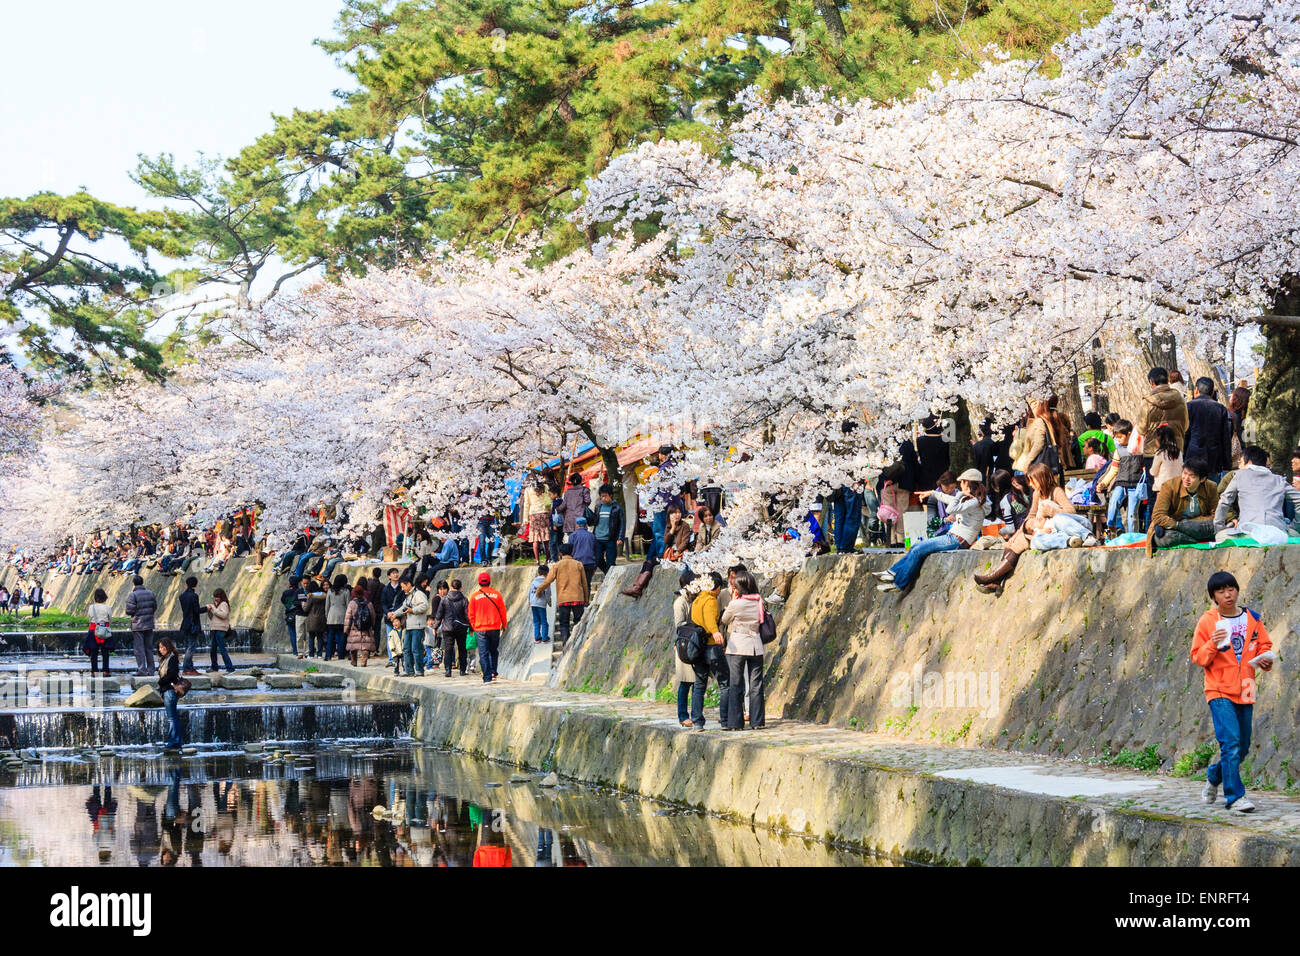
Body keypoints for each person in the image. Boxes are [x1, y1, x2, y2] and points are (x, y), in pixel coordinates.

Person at [1191, 571, 1274, 813]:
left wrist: (1265, 660)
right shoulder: (1208, 622)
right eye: (1221, 591)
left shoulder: (1253, 619)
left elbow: (1264, 646)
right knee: (1231, 742)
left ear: (1237, 590)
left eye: (1231, 589)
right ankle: (1235, 797)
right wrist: (1212, 644)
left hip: (1246, 688)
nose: (1227, 594)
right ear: (1214, 596)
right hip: (1218, 689)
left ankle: (1214, 775)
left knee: (1243, 746)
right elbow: (1198, 657)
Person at [876, 469, 990, 592]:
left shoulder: (974, 502)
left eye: (961, 482)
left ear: (966, 483)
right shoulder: (973, 500)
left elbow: (950, 509)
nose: (960, 485)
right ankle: (892, 573)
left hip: (957, 540)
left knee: (918, 550)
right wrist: (932, 493)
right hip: (954, 538)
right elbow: (949, 499)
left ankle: (899, 583)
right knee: (916, 547)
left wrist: (960, 494)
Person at [974, 463, 1076, 591]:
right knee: (1010, 543)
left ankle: (993, 577)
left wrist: (1051, 511)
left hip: (1052, 530)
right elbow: (1030, 515)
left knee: (1021, 541)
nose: (1030, 485)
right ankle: (996, 580)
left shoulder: (1056, 491)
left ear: (1041, 478)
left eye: (1032, 481)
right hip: (1038, 529)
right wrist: (1015, 535)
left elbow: (1071, 511)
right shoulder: (1037, 493)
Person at [1213, 444, 1300, 538]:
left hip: (1248, 532)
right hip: (1278, 532)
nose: (1239, 465)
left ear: (1249, 461)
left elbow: (1224, 502)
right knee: (1294, 534)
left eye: (1241, 462)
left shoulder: (1239, 475)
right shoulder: (1279, 479)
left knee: (1220, 536)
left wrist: (1219, 528)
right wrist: (1295, 526)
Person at [720, 570, 767, 730]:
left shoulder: (735, 604)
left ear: (739, 587)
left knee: (736, 684)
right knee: (756, 685)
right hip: (755, 645)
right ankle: (757, 721)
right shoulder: (758, 602)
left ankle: (735, 723)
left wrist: (732, 601)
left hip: (738, 645)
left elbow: (724, 620)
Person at [1146, 457, 1219, 556]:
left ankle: (1194, 536)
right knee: (1166, 538)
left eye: (1192, 476)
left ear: (1202, 479)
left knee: (1215, 526)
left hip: (1198, 526)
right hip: (1173, 528)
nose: (1186, 479)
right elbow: (1157, 516)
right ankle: (1197, 539)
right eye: (1184, 473)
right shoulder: (1169, 486)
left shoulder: (1211, 487)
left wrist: (1189, 524)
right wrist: (1178, 525)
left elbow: (1216, 516)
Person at [688, 572, 729, 731]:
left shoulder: (697, 599)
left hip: (698, 647)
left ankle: (697, 721)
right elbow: (709, 618)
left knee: (699, 685)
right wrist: (715, 631)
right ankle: (725, 720)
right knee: (725, 683)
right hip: (711, 645)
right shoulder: (711, 600)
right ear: (717, 588)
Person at [535, 543, 589, 647]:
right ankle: (578, 644)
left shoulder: (557, 565)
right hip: (578, 599)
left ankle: (566, 645)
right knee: (578, 622)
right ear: (572, 552)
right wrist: (586, 599)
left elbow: (547, 581)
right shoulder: (578, 564)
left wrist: (539, 590)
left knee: (564, 624)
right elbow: (585, 584)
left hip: (563, 600)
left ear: (560, 553)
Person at [1185, 377, 1232, 480]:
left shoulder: (1189, 407)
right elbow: (1225, 438)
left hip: (1192, 455)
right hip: (1214, 458)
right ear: (1211, 392)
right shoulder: (1221, 409)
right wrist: (1227, 464)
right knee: (1211, 491)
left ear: (1196, 390)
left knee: (1192, 489)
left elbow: (1185, 435)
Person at [1138, 366, 1189, 454]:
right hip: (1175, 450)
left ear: (1151, 382)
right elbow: (1185, 426)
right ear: (1167, 380)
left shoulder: (1147, 402)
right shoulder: (1180, 399)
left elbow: (1142, 429)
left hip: (1153, 451)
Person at [468, 571, 507, 683]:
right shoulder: (497, 594)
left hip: (480, 628)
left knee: (483, 653)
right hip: (494, 627)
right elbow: (502, 611)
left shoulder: (475, 596)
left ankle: (487, 677)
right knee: (493, 651)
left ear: (479, 582)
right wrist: (504, 625)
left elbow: (471, 614)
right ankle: (493, 672)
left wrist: (474, 626)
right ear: (489, 582)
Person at [670, 570, 698, 727]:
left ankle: (695, 713)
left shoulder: (695, 599)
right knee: (685, 682)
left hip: (696, 644)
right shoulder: (680, 602)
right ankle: (682, 715)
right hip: (685, 645)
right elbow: (679, 625)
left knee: (697, 682)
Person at [389, 578, 430, 677]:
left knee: (416, 649)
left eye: (403, 587)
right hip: (409, 626)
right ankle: (409, 670)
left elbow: (425, 606)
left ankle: (419, 670)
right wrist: (394, 614)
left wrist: (413, 610)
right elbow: (403, 608)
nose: (402, 589)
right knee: (406, 648)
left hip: (418, 626)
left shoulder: (419, 594)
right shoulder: (408, 596)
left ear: (408, 584)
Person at [433, 578, 470, 677]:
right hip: (461, 628)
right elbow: (467, 615)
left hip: (448, 628)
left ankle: (448, 670)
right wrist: (471, 627)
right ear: (461, 588)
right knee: (462, 649)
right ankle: (462, 670)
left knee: (448, 649)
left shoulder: (444, 599)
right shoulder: (464, 600)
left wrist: (435, 627)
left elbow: (439, 615)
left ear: (451, 587)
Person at [124, 575, 158, 676]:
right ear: (142, 582)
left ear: (134, 583)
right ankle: (151, 670)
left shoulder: (132, 595)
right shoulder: (151, 593)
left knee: (139, 648)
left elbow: (130, 610)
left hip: (138, 625)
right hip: (149, 623)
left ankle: (142, 670)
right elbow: (154, 607)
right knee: (149, 648)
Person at [157, 637, 184, 750]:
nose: (161, 649)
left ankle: (173, 742)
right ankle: (176, 742)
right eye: (159, 647)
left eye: (163, 647)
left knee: (172, 718)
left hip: (169, 691)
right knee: (173, 718)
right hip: (166, 691)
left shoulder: (172, 658)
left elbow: (172, 675)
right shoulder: (165, 658)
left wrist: (161, 681)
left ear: (168, 647)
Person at [591, 484, 624, 575]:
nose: (603, 498)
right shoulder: (598, 507)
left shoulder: (617, 508)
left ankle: (609, 576)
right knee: (597, 559)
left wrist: (620, 537)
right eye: (601, 496)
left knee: (611, 562)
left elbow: (622, 523)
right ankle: (608, 575)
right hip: (598, 538)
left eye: (605, 496)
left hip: (611, 538)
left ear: (610, 495)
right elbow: (595, 521)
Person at [521, 480, 554, 563]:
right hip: (544, 513)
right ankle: (548, 558)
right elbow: (548, 501)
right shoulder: (546, 487)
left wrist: (525, 518)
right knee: (546, 538)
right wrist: (549, 511)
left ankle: (537, 560)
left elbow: (526, 504)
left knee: (535, 539)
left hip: (533, 515)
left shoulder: (528, 489)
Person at [204, 588, 235, 673]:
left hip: (221, 629)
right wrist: (209, 611)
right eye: (215, 597)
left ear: (221, 596)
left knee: (222, 649)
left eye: (217, 597)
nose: (215, 598)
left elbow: (224, 615)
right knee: (213, 649)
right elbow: (213, 618)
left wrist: (213, 608)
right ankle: (214, 667)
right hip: (215, 629)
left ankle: (230, 668)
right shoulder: (217, 605)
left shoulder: (224, 604)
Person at [177, 577, 203, 675]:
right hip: (193, 624)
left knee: (187, 646)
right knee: (191, 647)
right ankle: (187, 668)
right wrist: (207, 608)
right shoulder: (194, 596)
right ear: (195, 585)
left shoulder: (182, 596)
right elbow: (196, 611)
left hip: (185, 623)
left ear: (186, 584)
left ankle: (189, 668)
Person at [343, 583, 373, 667]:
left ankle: (354, 661)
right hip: (366, 628)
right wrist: (371, 626)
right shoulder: (369, 603)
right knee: (365, 646)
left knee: (353, 645)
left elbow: (348, 618)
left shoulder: (352, 603)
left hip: (354, 628)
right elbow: (372, 616)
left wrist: (346, 629)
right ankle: (363, 661)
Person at [85, 588, 114, 676]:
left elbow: (90, 618)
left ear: (95, 597)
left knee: (94, 651)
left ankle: (95, 670)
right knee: (105, 651)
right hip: (104, 629)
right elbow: (110, 619)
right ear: (104, 597)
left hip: (94, 629)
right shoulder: (108, 607)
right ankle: (106, 670)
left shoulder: (91, 607)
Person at [381, 567, 404, 668]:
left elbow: (403, 602)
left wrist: (395, 613)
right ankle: (391, 659)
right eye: (393, 573)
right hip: (389, 617)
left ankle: (401, 657)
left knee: (400, 637)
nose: (396, 575)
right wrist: (388, 613)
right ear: (389, 576)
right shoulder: (386, 589)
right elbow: (383, 603)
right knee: (390, 637)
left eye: (397, 573)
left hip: (399, 615)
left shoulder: (401, 588)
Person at [324, 573, 350, 661]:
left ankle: (328, 655)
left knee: (330, 636)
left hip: (331, 615)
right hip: (342, 615)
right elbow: (348, 604)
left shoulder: (330, 591)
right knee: (341, 637)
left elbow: (327, 605)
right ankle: (340, 655)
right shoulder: (346, 591)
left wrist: (327, 615)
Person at [280, 575, 306, 658]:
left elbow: (283, 601)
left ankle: (295, 651)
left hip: (289, 615)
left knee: (292, 633)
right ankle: (304, 650)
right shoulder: (299, 591)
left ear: (289, 583)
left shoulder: (285, 593)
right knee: (302, 633)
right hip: (299, 613)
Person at [569, 517, 598, 590]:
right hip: (590, 563)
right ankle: (586, 601)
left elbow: (570, 550)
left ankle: (579, 601)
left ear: (576, 525)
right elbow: (596, 551)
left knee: (577, 584)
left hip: (576, 563)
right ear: (586, 525)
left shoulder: (572, 536)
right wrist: (595, 566)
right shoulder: (592, 536)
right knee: (587, 584)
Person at [529, 564, 552, 643]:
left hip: (533, 603)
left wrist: (530, 601)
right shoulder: (546, 582)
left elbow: (529, 592)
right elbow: (548, 594)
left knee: (536, 621)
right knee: (544, 621)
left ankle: (537, 637)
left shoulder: (533, 581)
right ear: (547, 573)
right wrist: (549, 602)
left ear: (538, 573)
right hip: (541, 604)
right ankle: (544, 638)